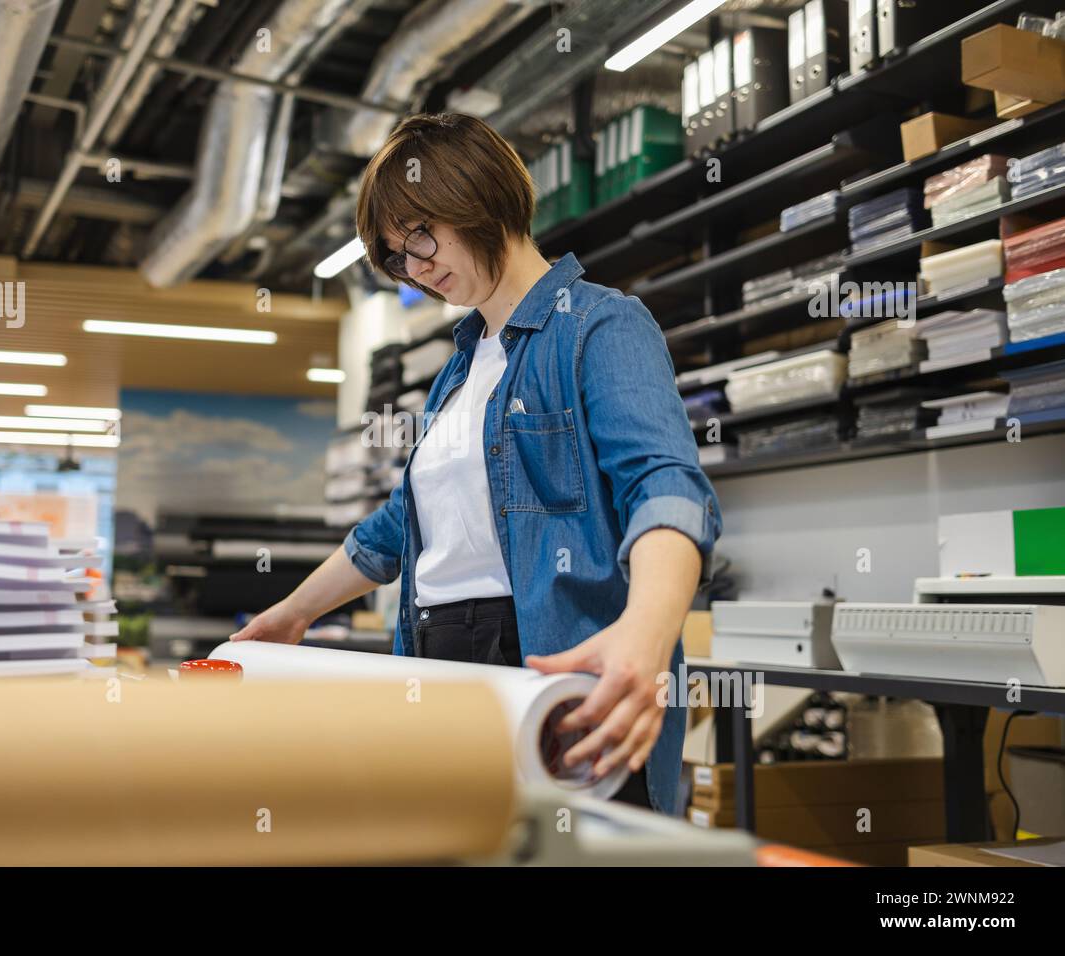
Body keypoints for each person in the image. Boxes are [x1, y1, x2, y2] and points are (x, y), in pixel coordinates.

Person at [232, 112, 721, 814]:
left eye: (422, 236)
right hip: (435, 660)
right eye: (399, 257)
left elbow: (667, 487)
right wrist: (290, 615)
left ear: (482, 198)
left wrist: (645, 637)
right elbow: (402, 524)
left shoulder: (599, 326)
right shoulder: (457, 371)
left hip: (545, 660)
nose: (417, 268)